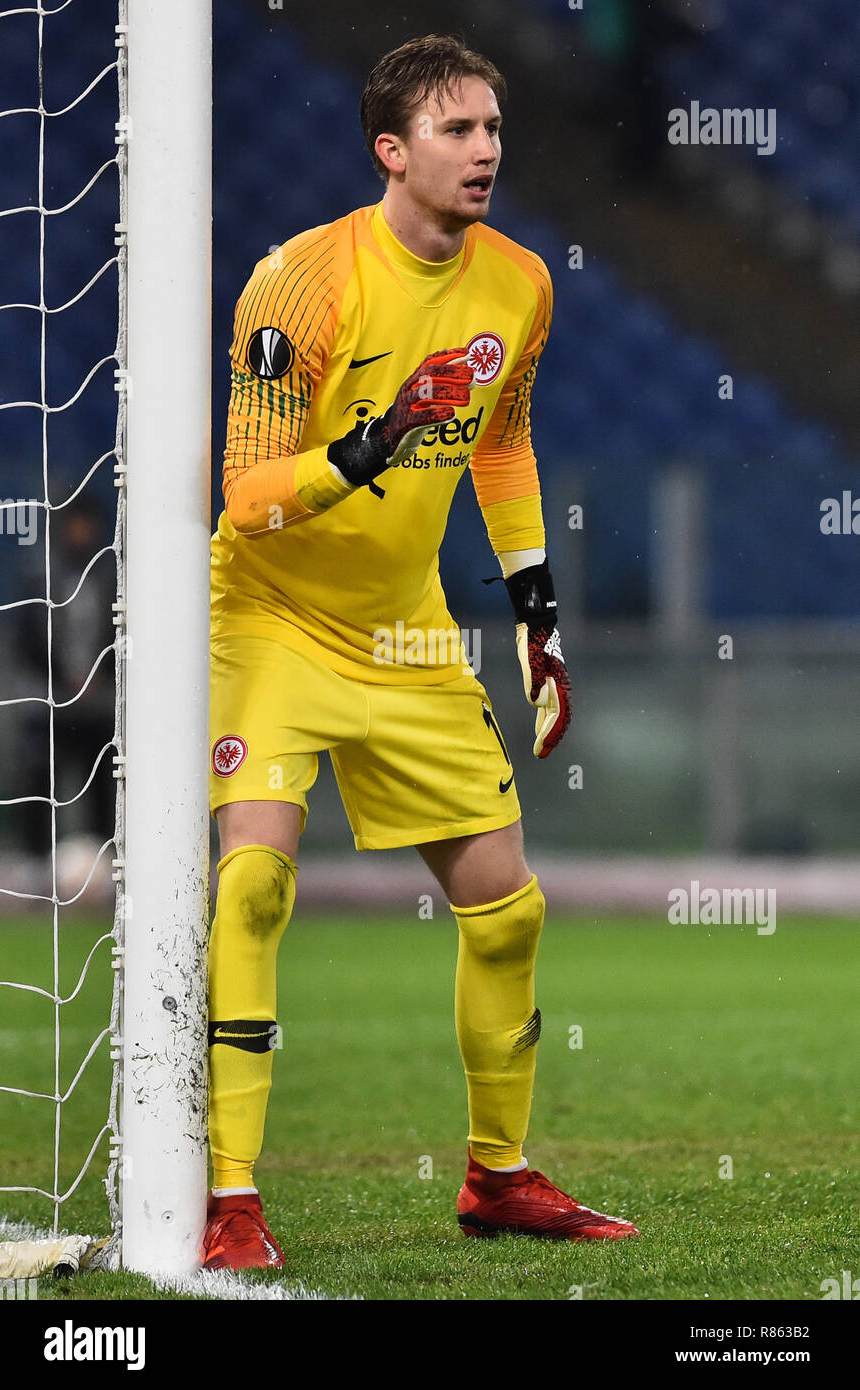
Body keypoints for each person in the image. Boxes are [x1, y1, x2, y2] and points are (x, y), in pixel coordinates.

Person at [202, 33, 638, 1270]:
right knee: (253, 883)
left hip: (409, 636)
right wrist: (362, 452)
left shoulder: (518, 284)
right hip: (273, 618)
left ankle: (497, 1175)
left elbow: (500, 446)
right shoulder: (299, 284)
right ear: (390, 151)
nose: (486, 147)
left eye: (493, 126)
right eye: (456, 129)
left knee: (505, 908)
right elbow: (242, 496)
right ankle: (231, 1197)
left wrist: (536, 621)